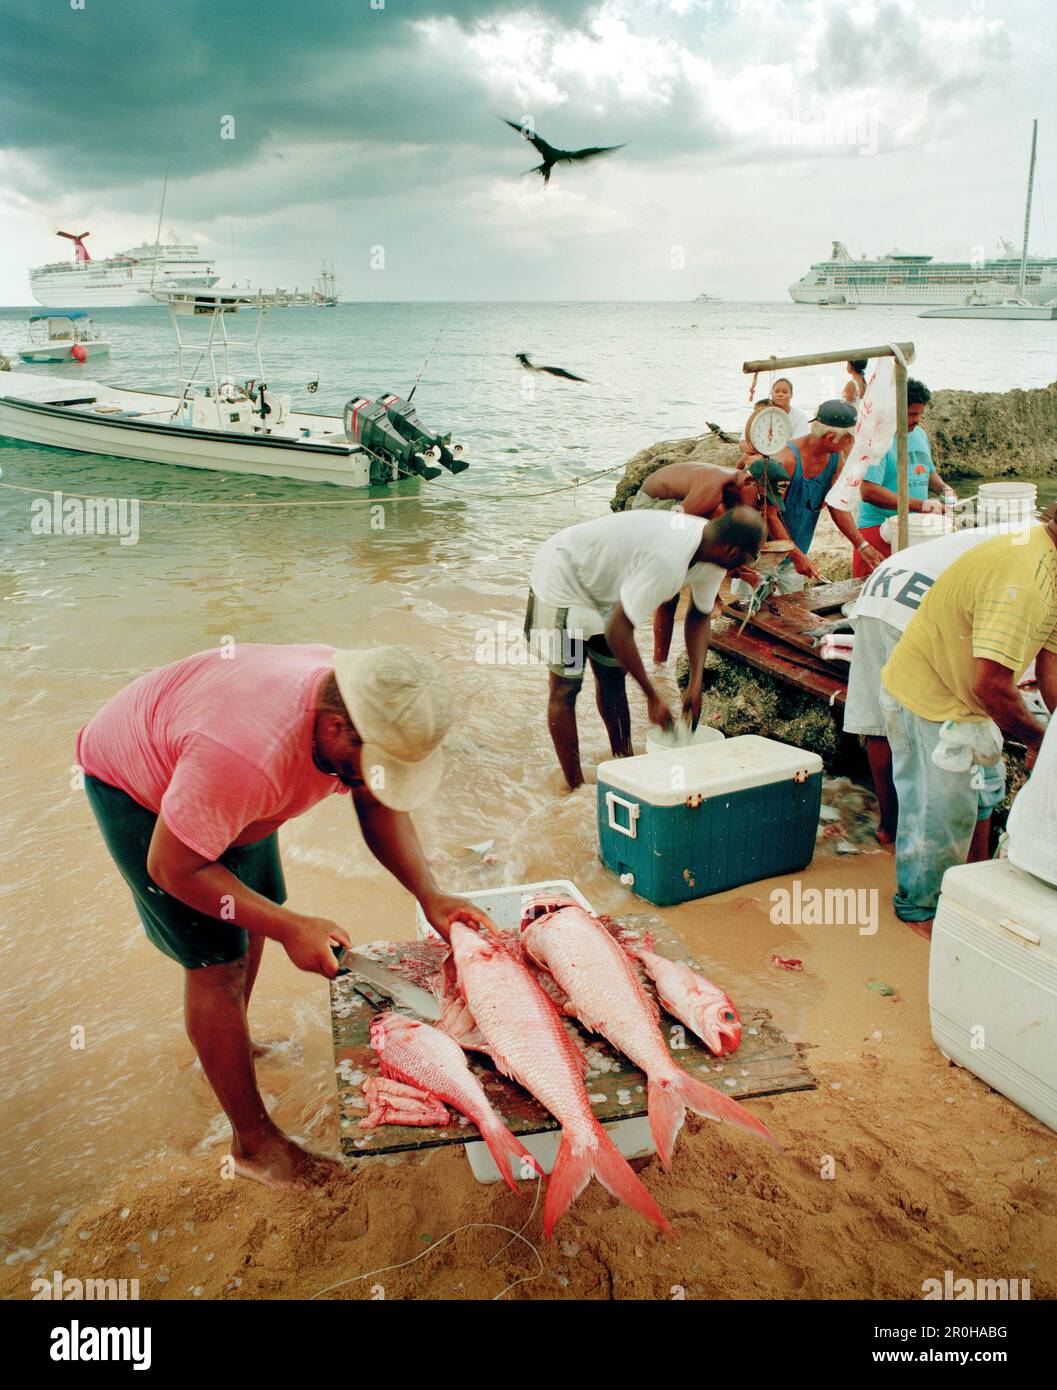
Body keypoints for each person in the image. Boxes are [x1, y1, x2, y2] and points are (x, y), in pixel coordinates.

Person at [78, 643, 492, 1190]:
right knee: (217, 963)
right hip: (140, 790)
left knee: (255, 917)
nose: (373, 775)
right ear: (336, 728)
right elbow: (174, 867)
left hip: (220, 781)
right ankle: (254, 1145)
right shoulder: (245, 758)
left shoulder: (372, 694)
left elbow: (376, 800)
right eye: (373, 761)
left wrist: (429, 893)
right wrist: (293, 926)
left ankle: (229, 1049)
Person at [879, 515, 1057, 936]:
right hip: (929, 697)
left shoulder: (1049, 561)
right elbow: (991, 685)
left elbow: (1051, 660)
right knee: (937, 815)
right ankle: (919, 910)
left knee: (983, 794)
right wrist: (1039, 742)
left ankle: (969, 885)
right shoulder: (1025, 585)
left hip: (967, 701)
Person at [525, 506, 766, 789]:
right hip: (563, 576)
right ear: (731, 551)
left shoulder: (713, 553)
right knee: (566, 687)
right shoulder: (668, 559)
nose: (750, 565)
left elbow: (700, 616)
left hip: (608, 588)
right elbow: (618, 630)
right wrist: (652, 696)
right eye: (751, 557)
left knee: (613, 677)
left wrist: (695, 683)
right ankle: (575, 788)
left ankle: (623, 763)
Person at [845, 525, 1020, 845]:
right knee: (957, 721)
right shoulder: (1036, 560)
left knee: (876, 715)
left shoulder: (1015, 529)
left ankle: (888, 828)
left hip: (882, 584)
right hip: (923, 599)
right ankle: (951, 850)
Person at [631, 460, 777, 660]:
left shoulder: (733, 488)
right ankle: (574, 669)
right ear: (749, 482)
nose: (760, 508)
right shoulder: (712, 490)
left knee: (580, 646)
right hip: (650, 510)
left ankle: (659, 664)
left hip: (580, 582)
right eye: (760, 501)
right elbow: (671, 528)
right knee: (579, 638)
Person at [756, 399, 882, 593]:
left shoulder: (834, 459)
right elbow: (768, 514)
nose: (852, 443)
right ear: (831, 436)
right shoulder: (784, 460)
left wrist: (862, 545)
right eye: (850, 438)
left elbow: (836, 505)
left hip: (794, 554)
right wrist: (797, 556)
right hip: (761, 555)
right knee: (749, 613)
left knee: (792, 615)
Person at [854, 378, 953, 577]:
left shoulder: (920, 434)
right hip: (878, 529)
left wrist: (944, 490)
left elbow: (927, 470)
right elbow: (868, 491)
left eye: (920, 414)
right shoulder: (878, 439)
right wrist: (921, 505)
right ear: (895, 408)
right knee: (866, 593)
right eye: (912, 414)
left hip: (914, 529)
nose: (917, 420)